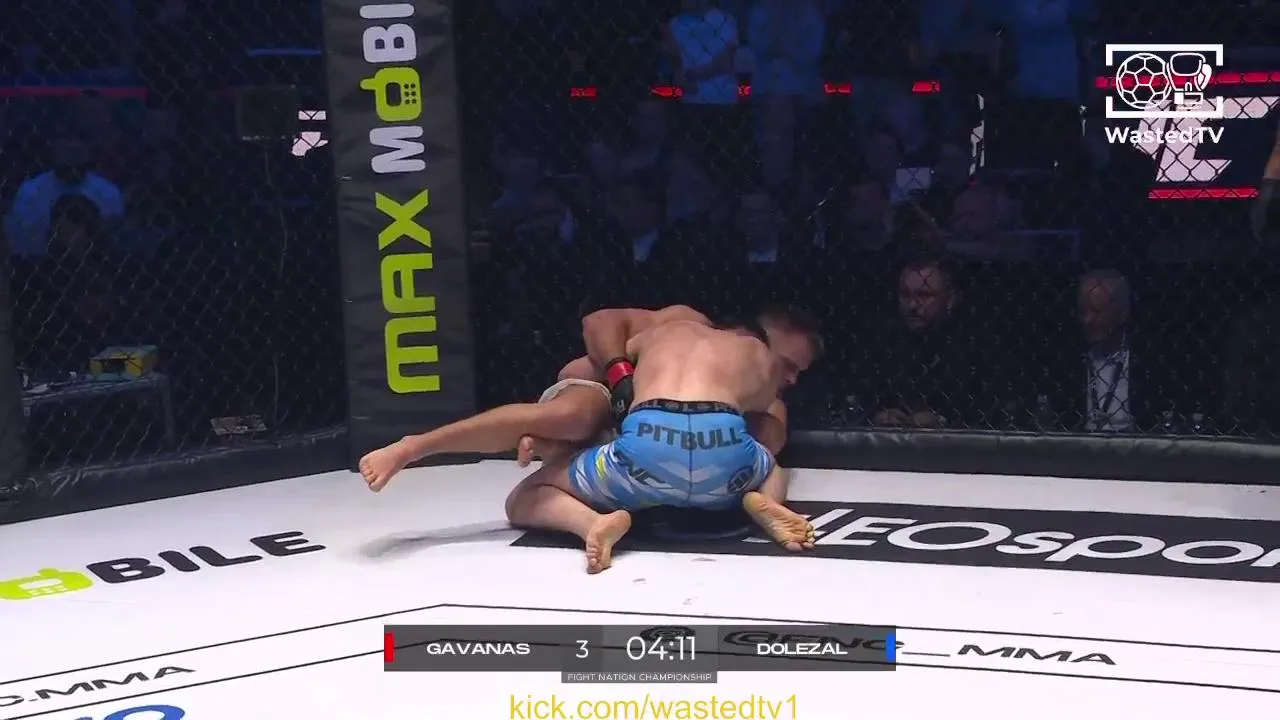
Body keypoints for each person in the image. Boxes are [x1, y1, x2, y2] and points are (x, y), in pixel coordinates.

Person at [358, 304, 812, 489]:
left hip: (645, 435)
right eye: (788, 363)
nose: (789, 378)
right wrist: (621, 376)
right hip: (600, 392)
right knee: (574, 415)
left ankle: (558, 452)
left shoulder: (765, 391)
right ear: (758, 337)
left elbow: (768, 443)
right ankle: (415, 446)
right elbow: (599, 322)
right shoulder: (686, 322)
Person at [506, 313, 822, 573]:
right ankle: (768, 501)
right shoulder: (747, 350)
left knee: (526, 495)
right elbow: (761, 417)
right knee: (770, 466)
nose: (792, 378)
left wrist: (622, 382)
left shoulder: (668, 332)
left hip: (641, 449)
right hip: (719, 460)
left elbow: (577, 368)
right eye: (790, 365)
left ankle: (591, 523)